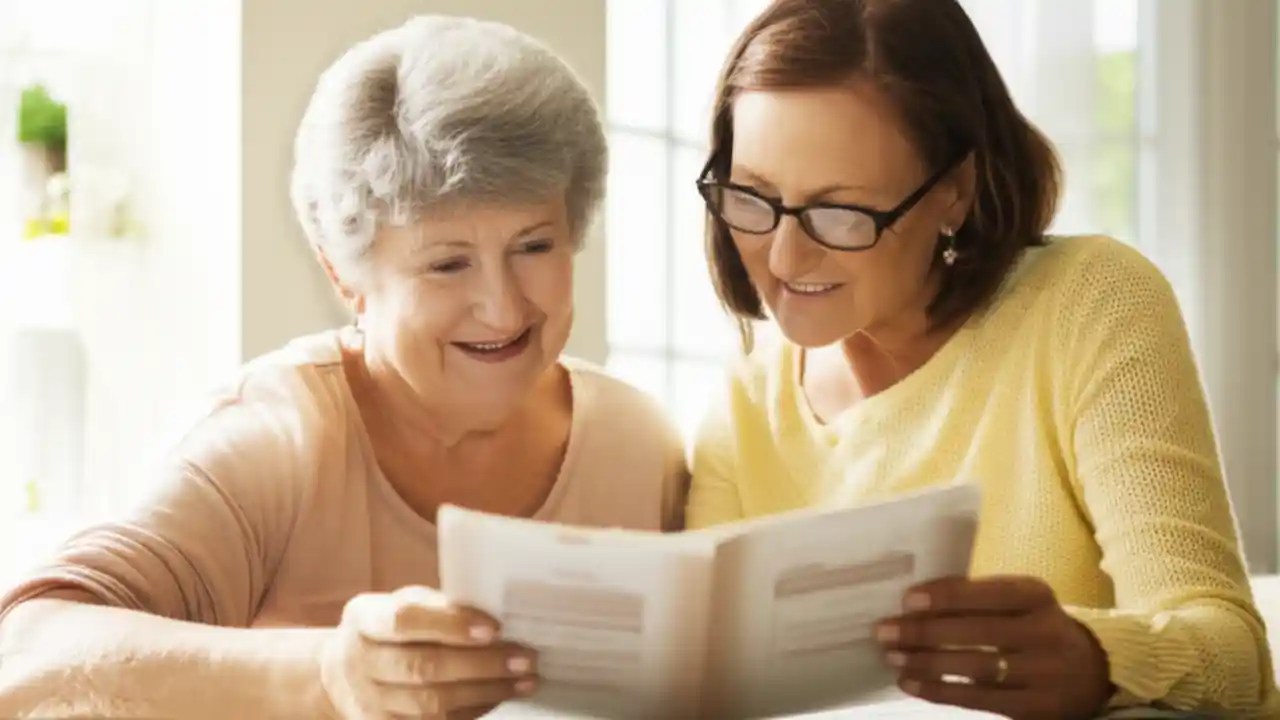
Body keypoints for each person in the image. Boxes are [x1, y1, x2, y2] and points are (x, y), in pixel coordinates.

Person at [0, 16, 686, 720]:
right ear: (345, 276)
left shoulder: (637, 443)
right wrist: (328, 673)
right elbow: (24, 655)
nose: (503, 306)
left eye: (535, 246)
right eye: (447, 263)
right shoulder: (276, 442)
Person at [685, 1, 1278, 718]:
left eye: (840, 213)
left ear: (954, 192)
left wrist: (1096, 662)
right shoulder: (744, 407)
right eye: (753, 196)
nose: (782, 257)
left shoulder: (1088, 302)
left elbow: (1236, 663)